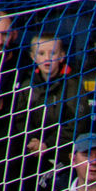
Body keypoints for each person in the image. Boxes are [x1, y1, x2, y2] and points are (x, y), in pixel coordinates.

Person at [16, 31, 86, 172]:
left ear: (61, 56)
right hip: (33, 150)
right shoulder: (27, 85)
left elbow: (76, 124)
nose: (47, 58)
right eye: (41, 53)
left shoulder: (73, 85)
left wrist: (47, 144)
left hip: (63, 152)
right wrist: (32, 140)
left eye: (52, 53)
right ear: (33, 57)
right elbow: (20, 118)